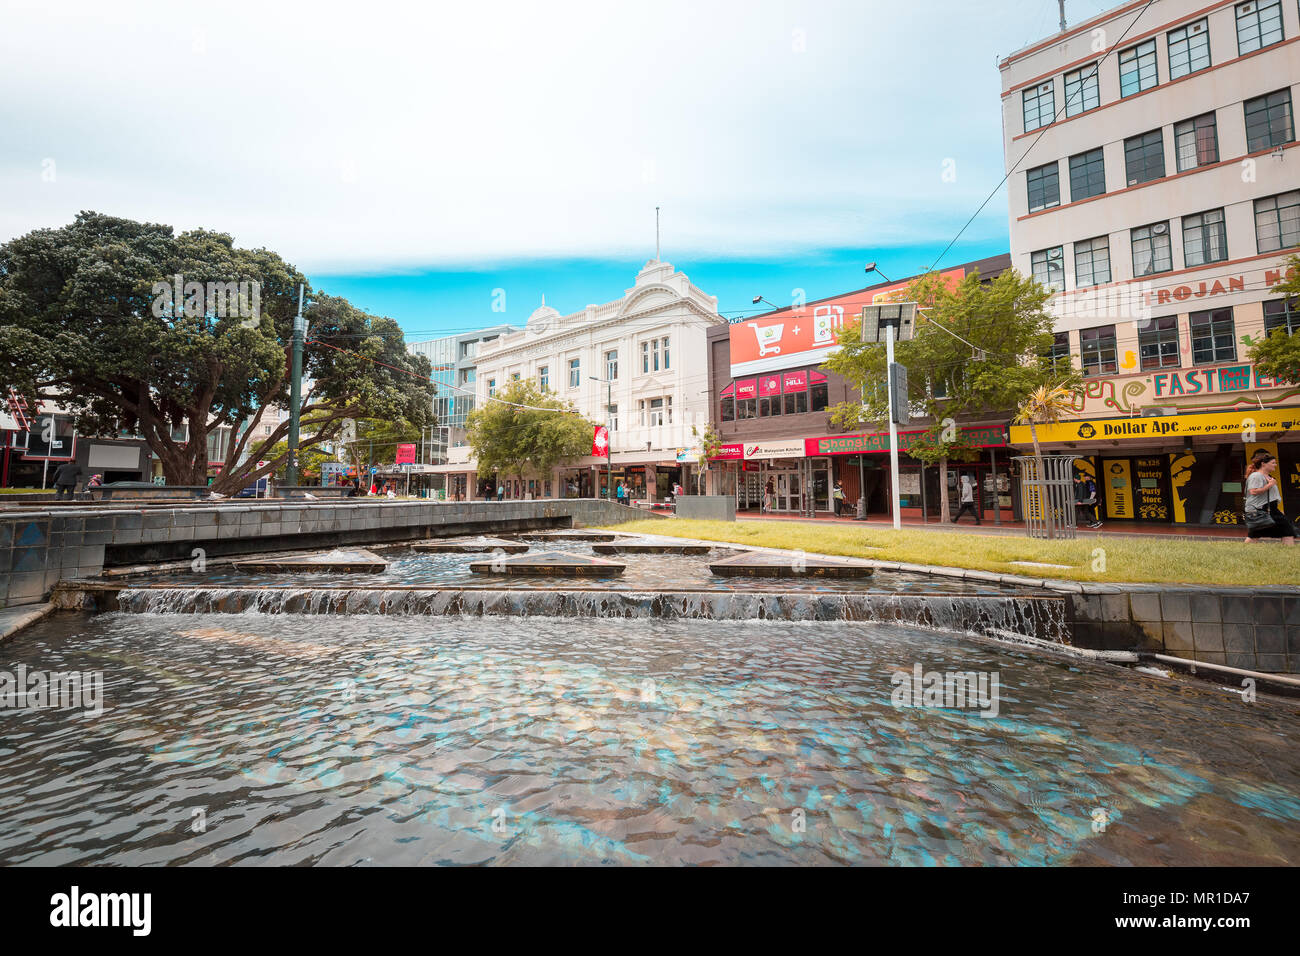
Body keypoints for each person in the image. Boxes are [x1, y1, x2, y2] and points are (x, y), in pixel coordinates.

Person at [1244, 452, 1296, 546]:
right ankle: (1289, 550)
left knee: (1286, 530)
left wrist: (1277, 508)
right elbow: (1253, 491)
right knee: (1287, 530)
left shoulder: (1268, 476)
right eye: (1273, 463)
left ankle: (1289, 550)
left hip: (1269, 508)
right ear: (1263, 464)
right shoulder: (1256, 476)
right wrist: (1270, 485)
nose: (1275, 465)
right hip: (1261, 509)